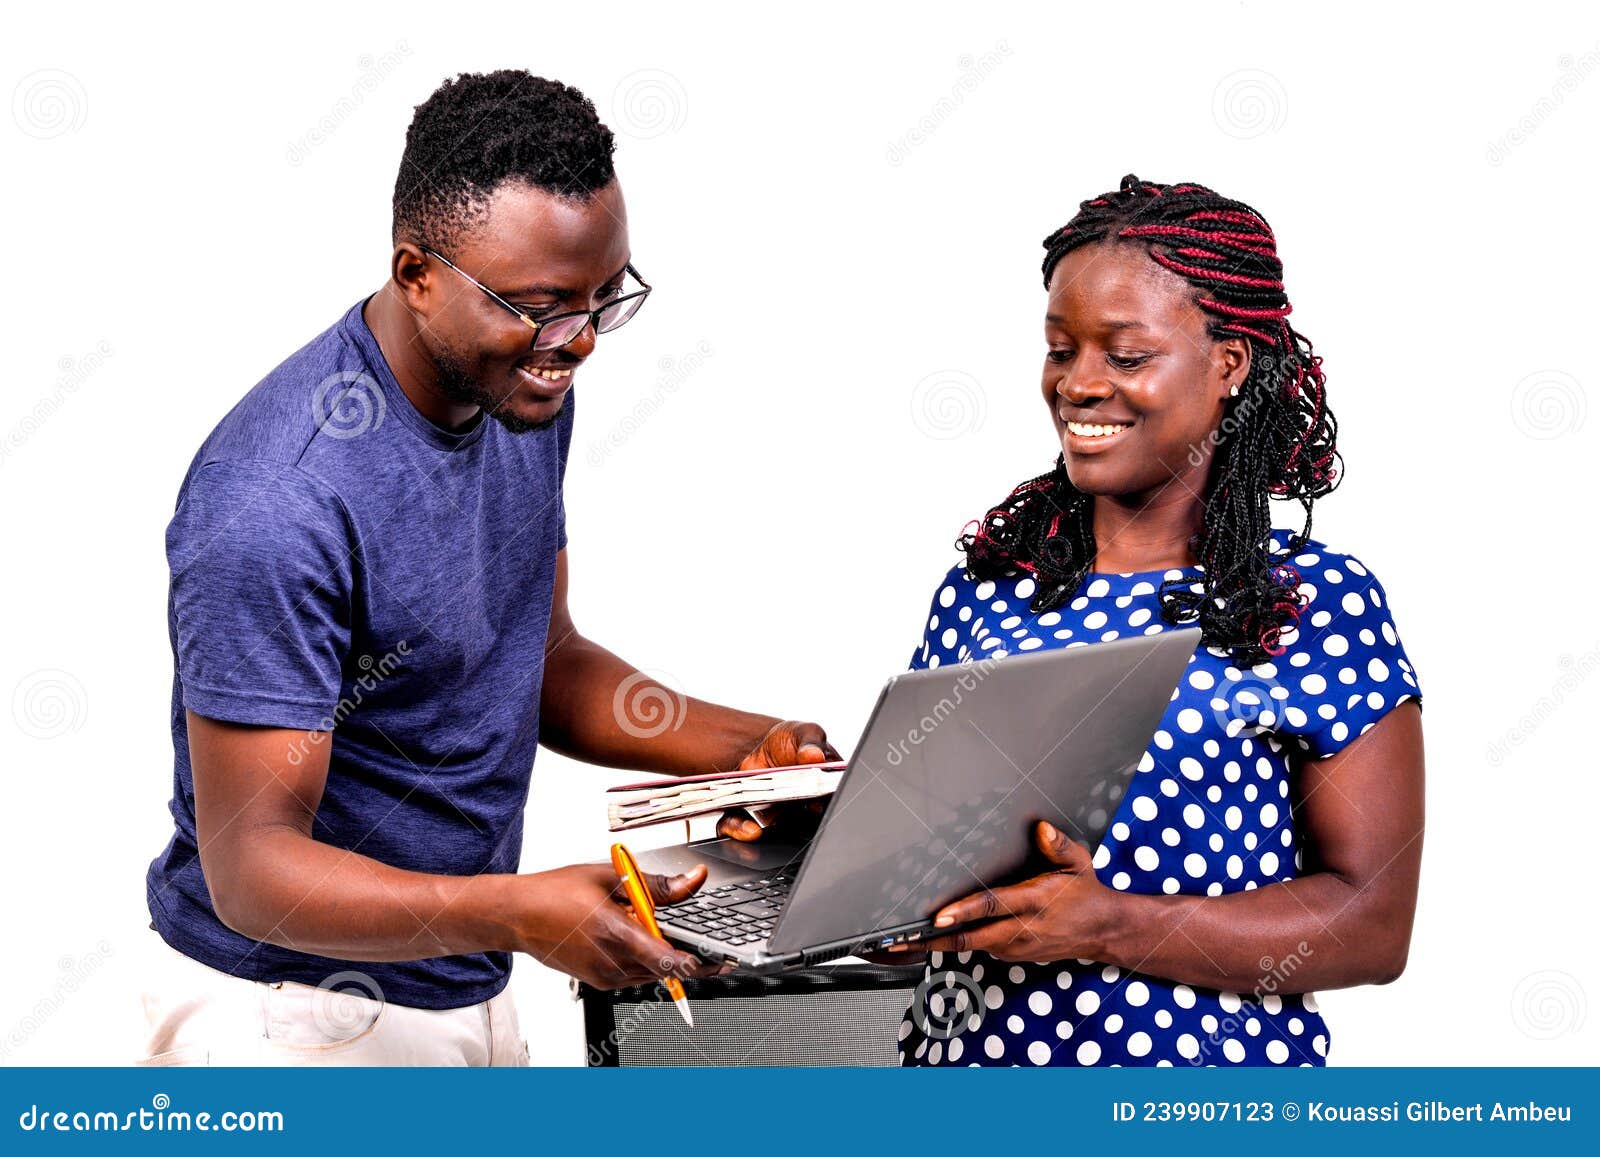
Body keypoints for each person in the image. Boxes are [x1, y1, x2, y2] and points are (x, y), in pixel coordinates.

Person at [140, 71, 834, 1066]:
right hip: (281, 1013)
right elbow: (253, 870)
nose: (581, 341)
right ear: (417, 271)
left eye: (605, 296)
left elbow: (537, 655)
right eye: (545, 306)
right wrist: (515, 911)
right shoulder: (276, 502)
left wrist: (748, 745)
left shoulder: (516, 388)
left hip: (463, 973)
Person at [880, 175, 1425, 1066]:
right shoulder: (986, 591)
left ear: (1229, 364)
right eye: (1061, 350)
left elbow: (1371, 923)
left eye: (1126, 356)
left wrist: (1112, 928)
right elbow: (921, 845)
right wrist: (849, 888)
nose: (1080, 386)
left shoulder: (1315, 604)